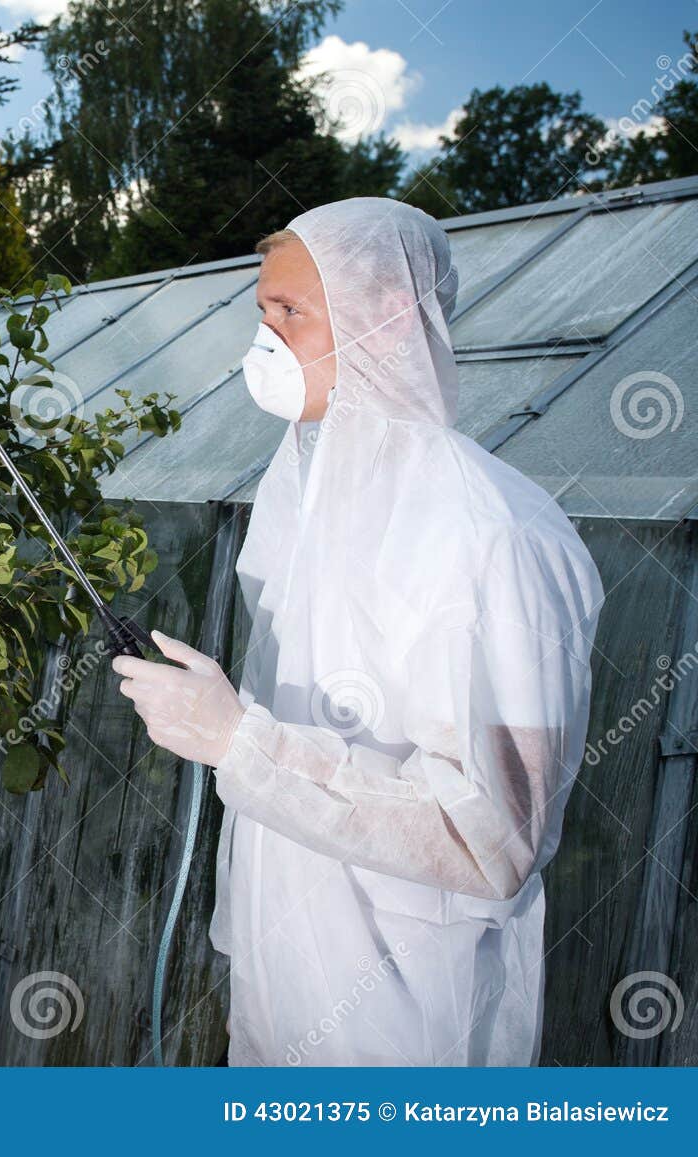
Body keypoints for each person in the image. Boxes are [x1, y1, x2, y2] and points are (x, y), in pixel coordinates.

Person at [111, 197, 604, 1066]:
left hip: (410, 1018)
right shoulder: (299, 494)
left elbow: (494, 838)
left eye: (290, 313)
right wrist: (226, 726)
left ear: (385, 321)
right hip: (281, 977)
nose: (263, 340)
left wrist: (241, 743)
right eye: (260, 312)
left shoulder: (494, 536)